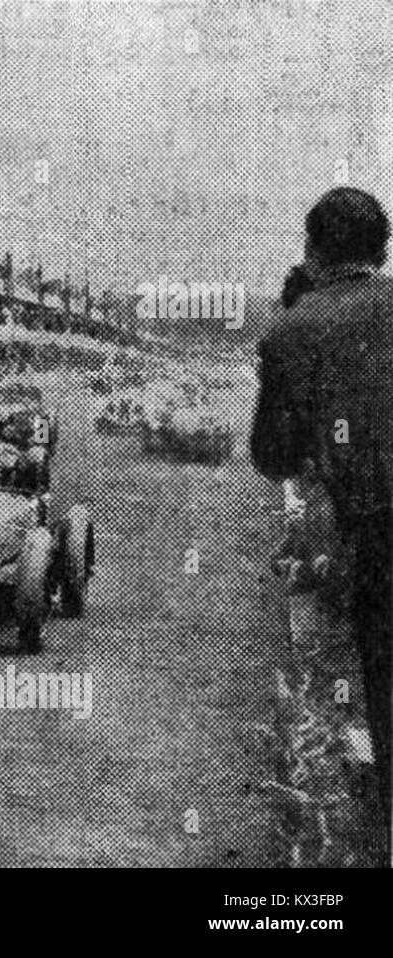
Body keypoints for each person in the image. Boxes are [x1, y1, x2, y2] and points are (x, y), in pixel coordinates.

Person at [250, 186, 393, 859]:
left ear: (311, 252)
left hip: (371, 540)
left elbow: (272, 455)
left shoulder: (292, 330)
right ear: (384, 251)